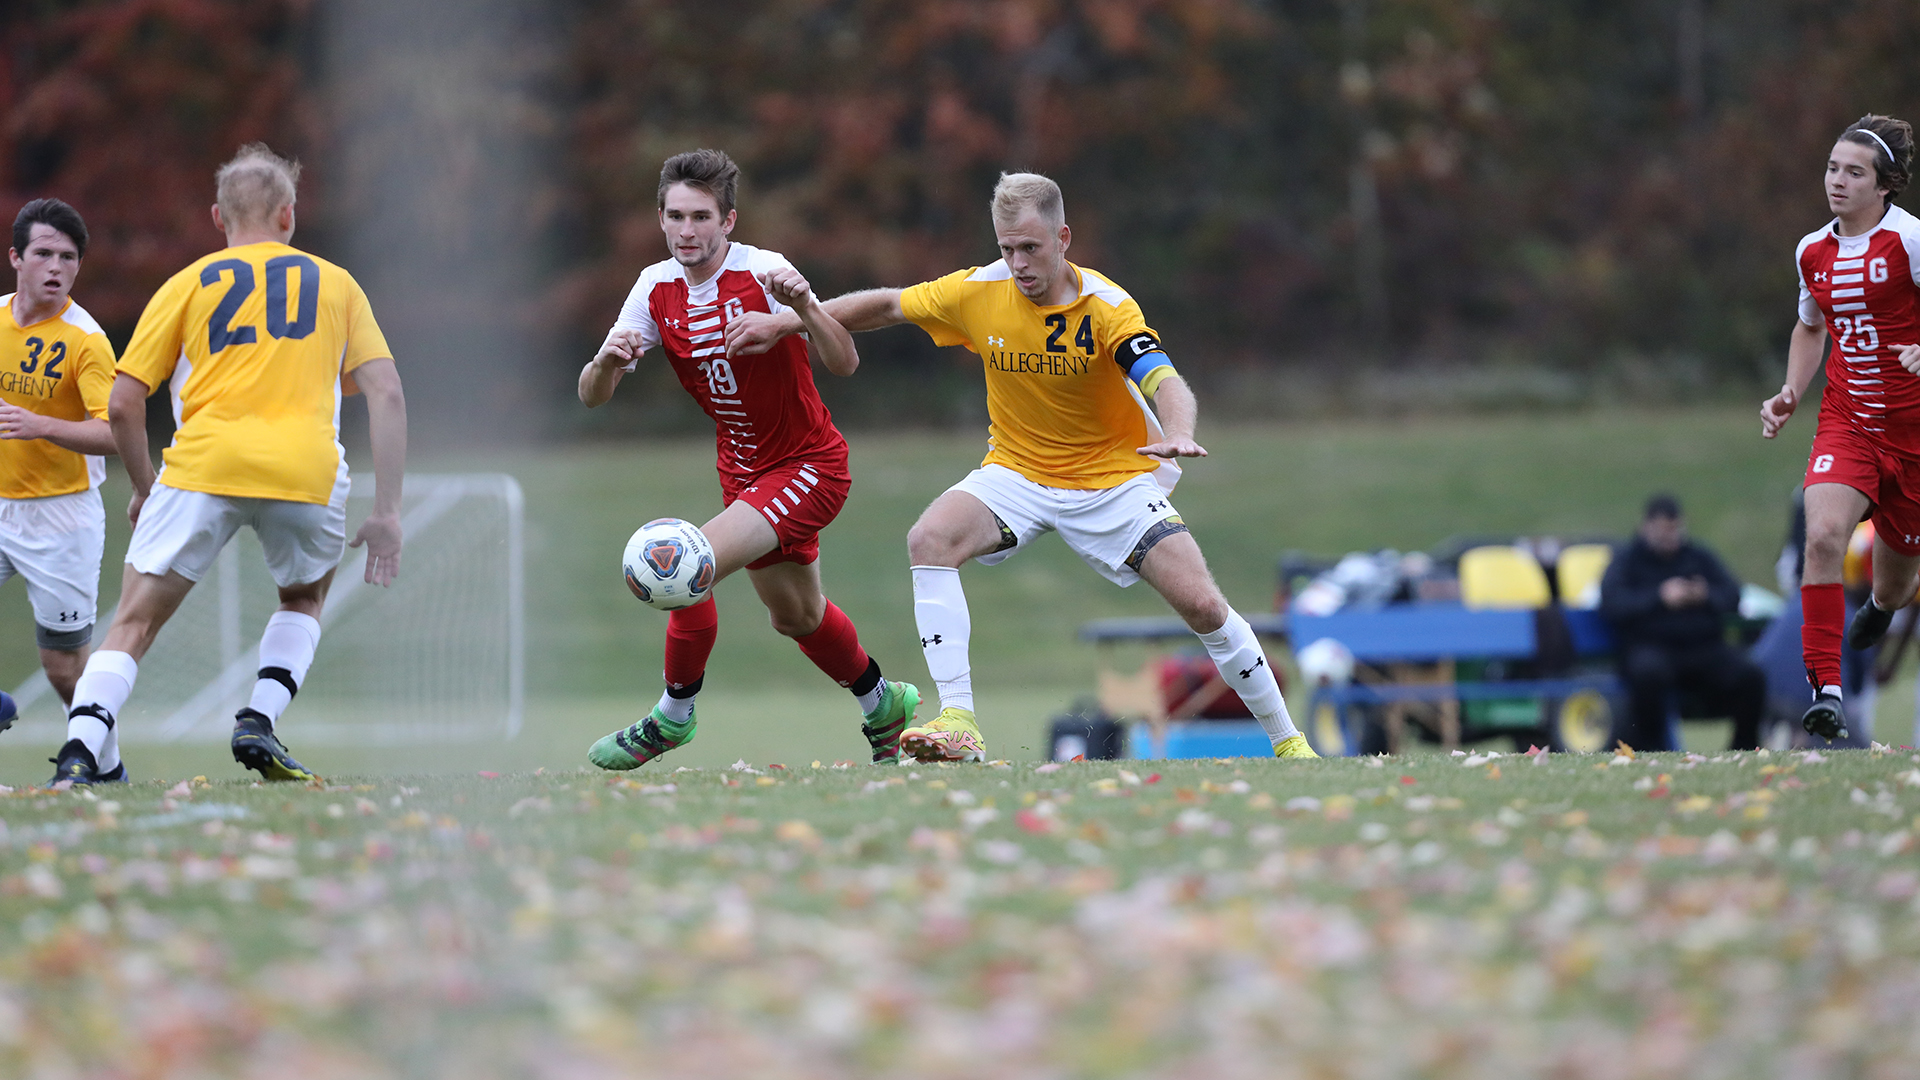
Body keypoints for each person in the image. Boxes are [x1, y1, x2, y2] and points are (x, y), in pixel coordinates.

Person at [727, 172, 1315, 762]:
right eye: (1006, 248)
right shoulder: (980, 291)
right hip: (1017, 474)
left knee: (1205, 607)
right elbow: (886, 305)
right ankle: (958, 719)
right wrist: (783, 322)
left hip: (1109, 481)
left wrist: (1180, 433)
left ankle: (1289, 744)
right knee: (929, 538)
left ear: (1063, 238)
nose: (1017, 263)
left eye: (1030, 248)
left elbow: (1162, 379)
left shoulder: (1106, 306)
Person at [49, 143, 408, 785]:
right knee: (301, 598)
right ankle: (259, 720)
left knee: (131, 622)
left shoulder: (186, 284)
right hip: (304, 472)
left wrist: (142, 486)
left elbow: (126, 403)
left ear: (217, 218)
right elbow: (386, 392)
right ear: (289, 216)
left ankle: (79, 753)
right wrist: (387, 511)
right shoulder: (336, 284)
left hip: (201, 468)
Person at [578, 149, 920, 770]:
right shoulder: (654, 288)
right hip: (743, 474)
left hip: (811, 465)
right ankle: (883, 704)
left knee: (684, 563)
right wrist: (605, 362)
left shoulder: (764, 272)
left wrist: (803, 312)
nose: (688, 230)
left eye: (702, 217)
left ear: (728, 221)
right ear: (660, 219)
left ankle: (672, 717)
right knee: (798, 616)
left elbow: (845, 362)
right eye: (676, 216)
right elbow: (591, 397)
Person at [1761, 114, 1920, 742]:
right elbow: (1810, 325)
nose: (1838, 181)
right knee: (1822, 533)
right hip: (1848, 421)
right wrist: (1792, 391)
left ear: (1885, 186)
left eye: (1854, 172)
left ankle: (1881, 607)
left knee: (1896, 582)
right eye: (1832, 168)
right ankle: (1825, 689)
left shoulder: (1909, 241)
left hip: (1914, 436)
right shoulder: (1812, 250)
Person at [0, 199, 119, 730]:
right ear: (16, 259)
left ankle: (102, 763)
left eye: (68, 257)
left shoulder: (87, 342)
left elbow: (117, 432)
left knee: (64, 668)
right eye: (43, 253)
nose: (56, 267)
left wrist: (41, 425)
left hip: (60, 518)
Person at [1598, 495, 1766, 750]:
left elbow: (1733, 594)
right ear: (1647, 526)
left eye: (1674, 530)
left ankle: (1744, 746)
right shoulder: (1627, 560)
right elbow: (1613, 604)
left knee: (1751, 675)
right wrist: (1659, 597)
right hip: (1651, 647)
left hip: (1702, 648)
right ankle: (1652, 747)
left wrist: (1704, 594)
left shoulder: (1698, 557)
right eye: (1663, 531)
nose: (1670, 539)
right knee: (1647, 674)